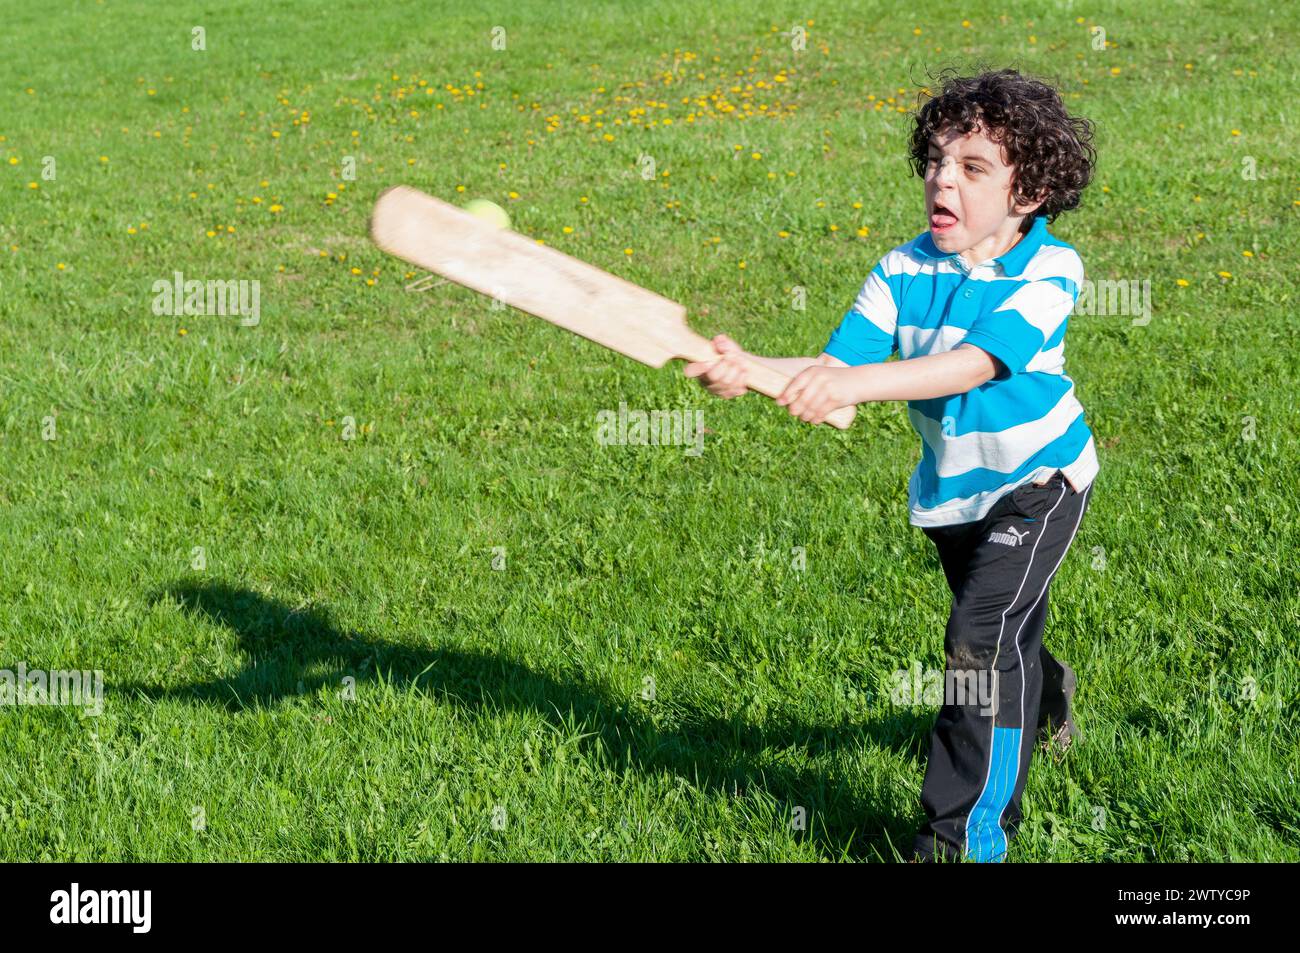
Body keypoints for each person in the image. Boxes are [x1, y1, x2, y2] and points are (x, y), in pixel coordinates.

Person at [685, 68, 1099, 862]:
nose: (944, 178)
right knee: (1006, 632)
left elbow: (976, 363)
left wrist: (847, 383)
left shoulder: (1051, 270)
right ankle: (1047, 699)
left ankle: (961, 839)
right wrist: (752, 368)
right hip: (954, 497)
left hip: (1039, 483)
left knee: (978, 643)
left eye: (974, 167)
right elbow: (838, 373)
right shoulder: (899, 271)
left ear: (1030, 191)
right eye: (937, 161)